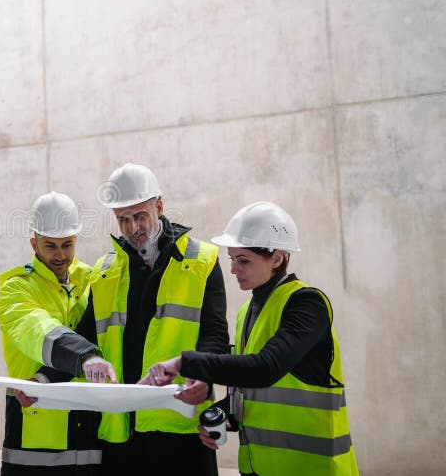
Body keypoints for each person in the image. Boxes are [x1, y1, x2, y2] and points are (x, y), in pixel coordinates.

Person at [140, 201, 359, 475]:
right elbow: (251, 391)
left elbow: (265, 368)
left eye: (243, 260)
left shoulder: (307, 304)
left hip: (312, 468)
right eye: (232, 259)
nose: (233, 269)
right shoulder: (248, 312)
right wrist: (223, 413)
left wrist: (184, 363)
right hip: (259, 468)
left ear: (277, 258)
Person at [77, 163, 229, 475]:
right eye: (123, 220)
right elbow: (85, 336)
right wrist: (42, 380)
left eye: (140, 215)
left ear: (159, 207)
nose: (133, 227)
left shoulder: (201, 260)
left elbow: (214, 332)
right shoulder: (104, 271)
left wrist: (205, 376)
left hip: (179, 424)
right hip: (123, 430)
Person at [0, 192, 108, 475]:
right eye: (51, 246)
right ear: (34, 243)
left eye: (67, 245)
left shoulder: (93, 281)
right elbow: (36, 328)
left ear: (76, 240)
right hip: (35, 427)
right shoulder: (16, 289)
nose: (60, 255)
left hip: (88, 425)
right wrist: (85, 355)